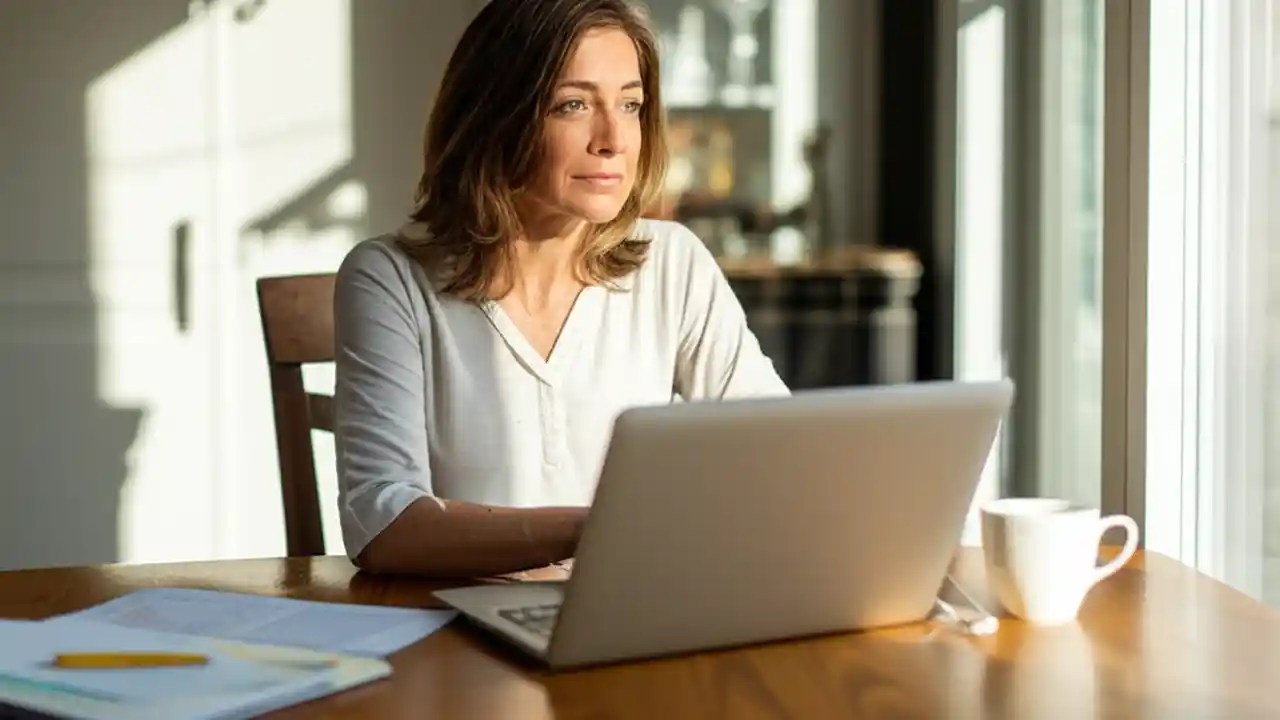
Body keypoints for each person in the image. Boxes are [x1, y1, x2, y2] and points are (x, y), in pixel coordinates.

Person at [334, 0, 787, 578]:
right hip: (462, 639)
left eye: (630, 105)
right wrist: (601, 529)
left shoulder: (672, 262)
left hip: (637, 616)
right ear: (495, 115)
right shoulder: (389, 278)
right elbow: (385, 526)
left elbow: (776, 455)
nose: (614, 139)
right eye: (573, 105)